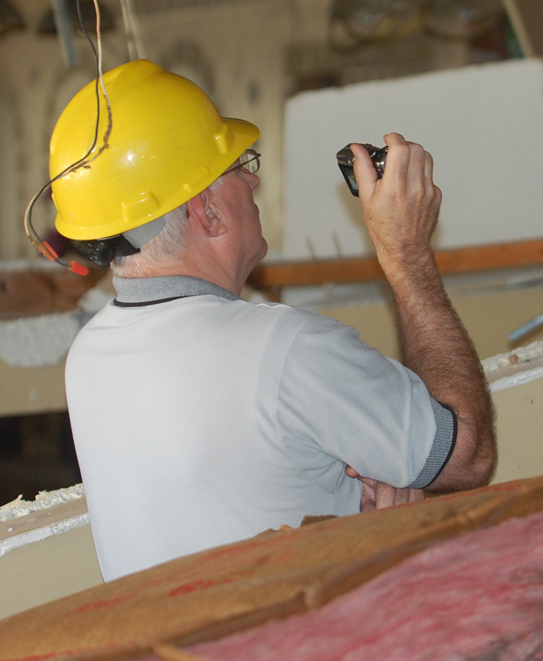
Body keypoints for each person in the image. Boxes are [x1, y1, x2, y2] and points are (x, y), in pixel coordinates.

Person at [49, 60, 496, 581]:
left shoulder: (88, 357)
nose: (253, 177)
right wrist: (407, 256)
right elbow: (468, 456)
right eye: (237, 165)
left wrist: (352, 527)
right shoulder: (285, 350)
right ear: (207, 213)